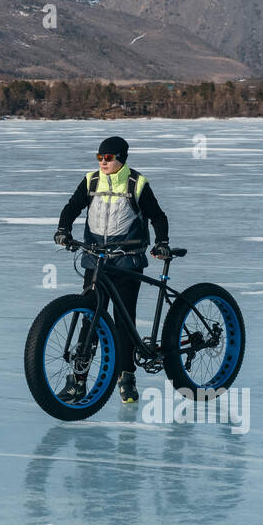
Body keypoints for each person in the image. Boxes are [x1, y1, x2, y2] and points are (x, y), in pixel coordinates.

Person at [53, 135, 170, 405]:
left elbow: (157, 216)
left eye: (109, 158)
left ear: (121, 159)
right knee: (89, 317)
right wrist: (63, 229)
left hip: (127, 260)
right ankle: (78, 382)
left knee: (123, 319)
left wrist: (162, 243)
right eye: (100, 157)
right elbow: (72, 207)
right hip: (95, 260)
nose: (103, 162)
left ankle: (126, 378)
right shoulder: (91, 181)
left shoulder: (136, 183)